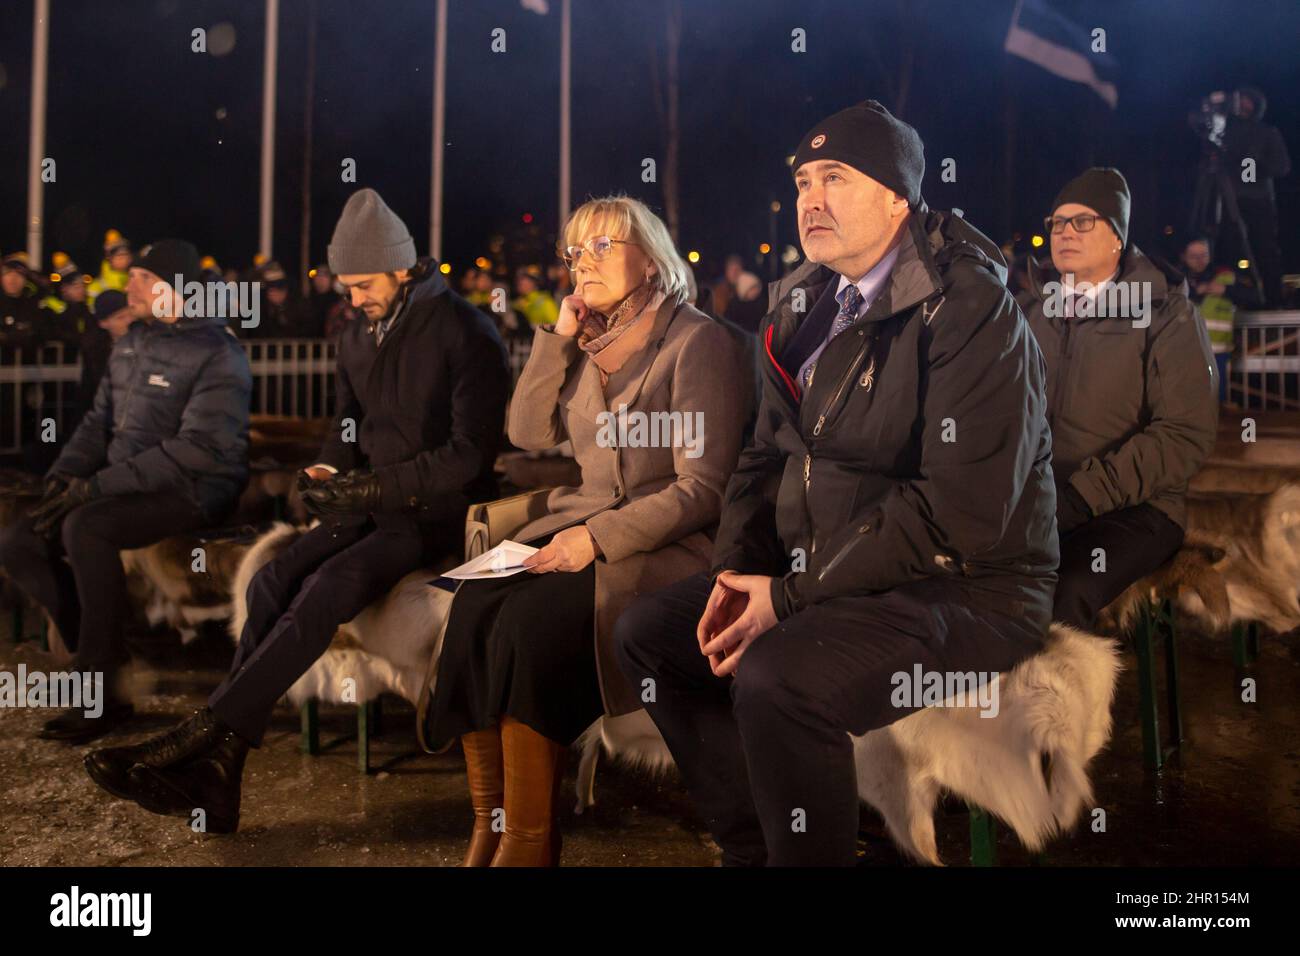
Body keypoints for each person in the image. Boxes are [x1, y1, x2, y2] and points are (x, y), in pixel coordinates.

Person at [613, 101, 1058, 867]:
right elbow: (761, 458)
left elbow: (961, 513)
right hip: (828, 567)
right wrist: (735, 569)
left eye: (835, 179)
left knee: (778, 676)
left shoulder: (968, 306)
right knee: (647, 634)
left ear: (898, 198)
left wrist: (787, 598)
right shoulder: (799, 301)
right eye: (802, 182)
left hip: (967, 585)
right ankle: (759, 843)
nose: (809, 200)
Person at [84, 189, 510, 835]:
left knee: (328, 585)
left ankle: (201, 741)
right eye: (346, 285)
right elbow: (348, 418)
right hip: (362, 503)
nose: (353, 297)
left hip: (431, 513)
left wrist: (375, 489)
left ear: (402, 267)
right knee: (267, 581)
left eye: (364, 284)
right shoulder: (358, 331)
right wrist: (328, 467)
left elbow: (470, 454)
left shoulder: (465, 330)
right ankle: (219, 771)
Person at [421, 194, 752, 867]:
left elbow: (704, 488)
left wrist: (596, 540)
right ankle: (493, 817)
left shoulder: (697, 341)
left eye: (604, 245)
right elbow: (525, 433)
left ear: (651, 258)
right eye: (576, 250)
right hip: (580, 523)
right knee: (476, 604)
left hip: (663, 545)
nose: (584, 261)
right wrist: (555, 341)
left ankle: (531, 842)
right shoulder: (588, 339)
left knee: (528, 626)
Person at [0, 239, 252, 742]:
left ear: (169, 288)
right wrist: (63, 476)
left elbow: (198, 449)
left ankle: (104, 691)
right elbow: (99, 422)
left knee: (86, 526)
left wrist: (94, 488)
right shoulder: (132, 342)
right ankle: (102, 651)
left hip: (195, 489)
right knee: (18, 541)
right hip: (126, 485)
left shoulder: (217, 351)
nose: (127, 285)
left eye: (139, 276)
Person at [1024, 168, 1218, 630]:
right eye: (1057, 222)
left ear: (1118, 235)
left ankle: (1069, 702)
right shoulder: (1031, 312)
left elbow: (1184, 435)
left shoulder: (1165, 314)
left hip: (1137, 508)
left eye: (1083, 221)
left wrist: (1082, 497)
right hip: (1037, 497)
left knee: (1062, 590)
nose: (1065, 232)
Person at [1219, 87, 1291, 307]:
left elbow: (1282, 166)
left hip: (1258, 200)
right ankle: (1228, 296)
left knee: (1265, 249)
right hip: (1229, 199)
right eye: (1240, 101)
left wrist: (1255, 166)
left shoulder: (1267, 133)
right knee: (1228, 249)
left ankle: (1273, 298)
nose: (1243, 105)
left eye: (1248, 101)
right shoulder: (1225, 132)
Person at [1183, 236, 1254, 404]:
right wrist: (1195, 292)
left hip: (1217, 352)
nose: (1199, 261)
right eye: (1194, 256)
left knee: (1215, 400)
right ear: (1184, 257)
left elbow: (1254, 296)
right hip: (1184, 351)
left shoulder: (1224, 277)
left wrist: (1225, 290)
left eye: (1204, 255)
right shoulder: (1177, 278)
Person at [75, 289, 134, 426]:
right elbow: (90, 392)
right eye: (120, 317)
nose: (128, 321)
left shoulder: (145, 343)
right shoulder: (96, 351)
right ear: (103, 323)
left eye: (130, 315)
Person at [1, 251, 49, 347]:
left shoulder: (34, 305)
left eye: (19, 274)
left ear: (25, 280)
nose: (12, 279)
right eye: (8, 273)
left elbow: (45, 333)